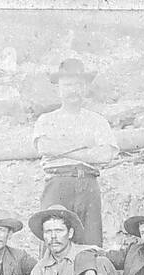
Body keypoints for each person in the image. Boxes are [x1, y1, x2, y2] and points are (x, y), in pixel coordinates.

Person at [32, 58, 116, 244]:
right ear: (59, 89)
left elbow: (105, 155)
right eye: (68, 85)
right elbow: (45, 147)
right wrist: (84, 145)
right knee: (54, 241)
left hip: (88, 185)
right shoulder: (47, 120)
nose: (73, 90)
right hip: (58, 184)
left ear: (85, 88)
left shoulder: (97, 121)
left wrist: (63, 149)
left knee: (90, 243)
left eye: (79, 85)